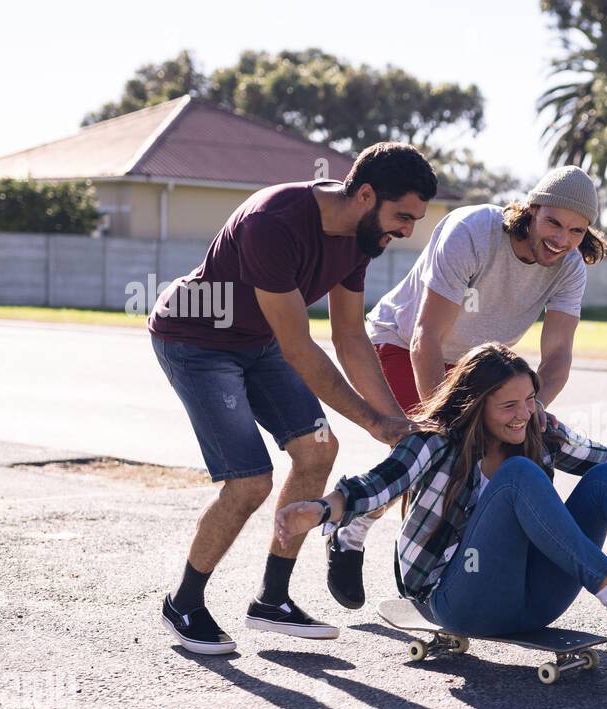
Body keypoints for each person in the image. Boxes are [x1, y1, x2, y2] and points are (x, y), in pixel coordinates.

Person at [150, 142, 436, 656]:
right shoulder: (273, 221)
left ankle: (271, 600)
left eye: (414, 219)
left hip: (257, 342)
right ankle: (183, 603)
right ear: (365, 194)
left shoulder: (361, 236)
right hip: (197, 341)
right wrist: (373, 422)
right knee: (249, 481)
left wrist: (397, 421)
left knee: (318, 451)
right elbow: (301, 349)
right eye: (402, 216)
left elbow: (349, 335)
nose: (407, 231)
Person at [278, 343, 607, 648]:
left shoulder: (539, 429)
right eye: (508, 405)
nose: (524, 415)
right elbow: (379, 482)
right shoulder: (433, 440)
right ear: (473, 406)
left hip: (535, 602)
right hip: (455, 599)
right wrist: (324, 509)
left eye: (530, 400)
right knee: (521, 477)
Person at [324, 166, 607, 611]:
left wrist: (525, 412)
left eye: (577, 230)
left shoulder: (569, 266)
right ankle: (352, 530)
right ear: (531, 211)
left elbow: (556, 358)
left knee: (473, 460)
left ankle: (458, 567)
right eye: (553, 222)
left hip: (477, 369)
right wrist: (443, 426)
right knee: (428, 451)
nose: (563, 238)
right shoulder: (473, 231)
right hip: (402, 343)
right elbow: (426, 337)